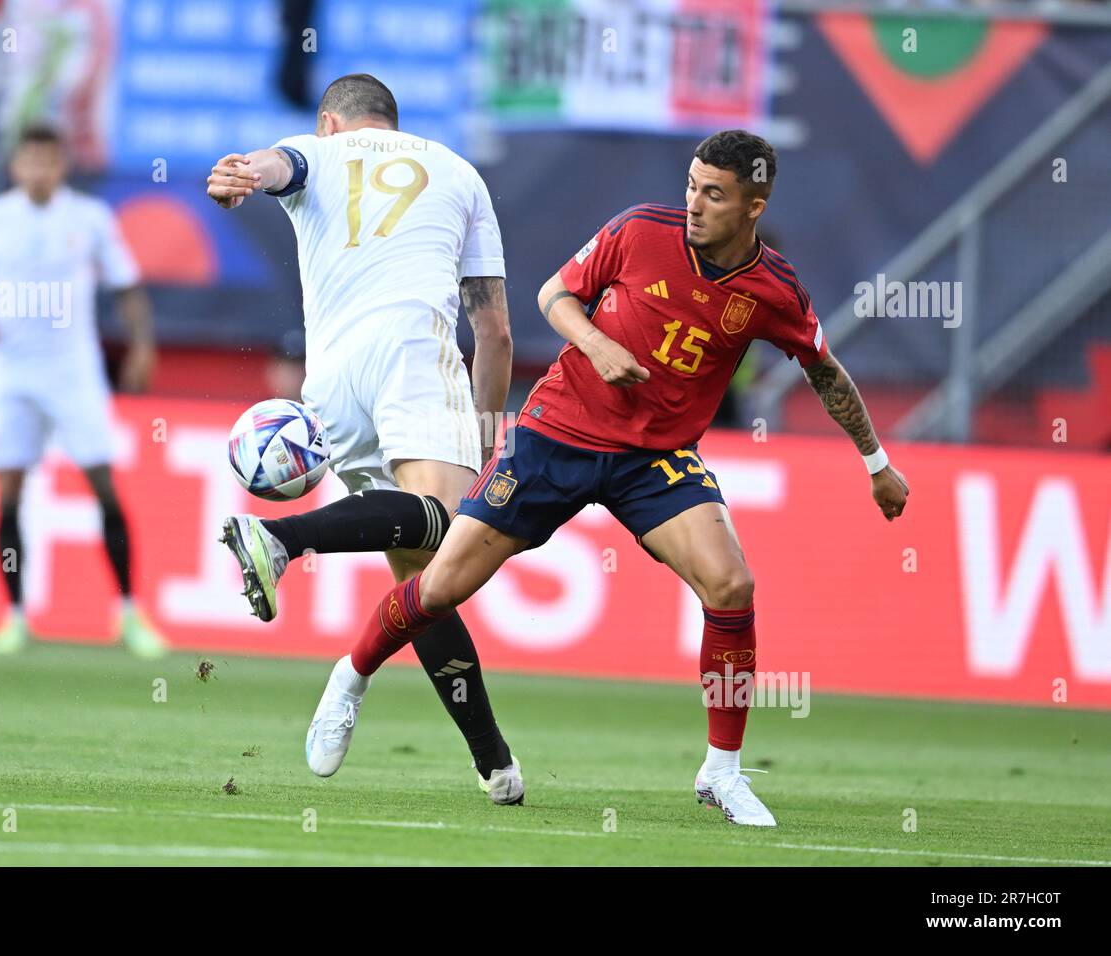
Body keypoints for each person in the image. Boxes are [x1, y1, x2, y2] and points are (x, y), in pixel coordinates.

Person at [304, 130, 911, 826]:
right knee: (439, 587)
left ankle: (722, 772)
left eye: (714, 194)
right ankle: (350, 679)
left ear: (753, 207)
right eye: (691, 185)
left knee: (731, 583)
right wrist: (596, 342)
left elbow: (824, 370)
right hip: (555, 435)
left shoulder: (774, 290)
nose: (694, 203)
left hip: (653, 459)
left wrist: (877, 464)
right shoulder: (640, 231)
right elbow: (554, 295)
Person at [206, 73, 523, 803]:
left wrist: (241, 175)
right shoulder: (457, 171)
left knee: (421, 580)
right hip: (414, 352)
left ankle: (494, 763)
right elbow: (495, 330)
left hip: (333, 380)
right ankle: (281, 540)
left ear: (330, 122)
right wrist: (481, 433)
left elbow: (275, 167)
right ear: (390, 121)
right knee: (442, 525)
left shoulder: (308, 151)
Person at [0, 124, 166, 658]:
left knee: (103, 484)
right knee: (10, 492)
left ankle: (129, 612)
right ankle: (16, 617)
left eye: (49, 160)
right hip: (11, 374)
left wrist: (141, 345)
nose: (39, 170)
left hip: (74, 372)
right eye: (30, 161)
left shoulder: (89, 218)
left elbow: (126, 286)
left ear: (61, 165)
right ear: (16, 166)